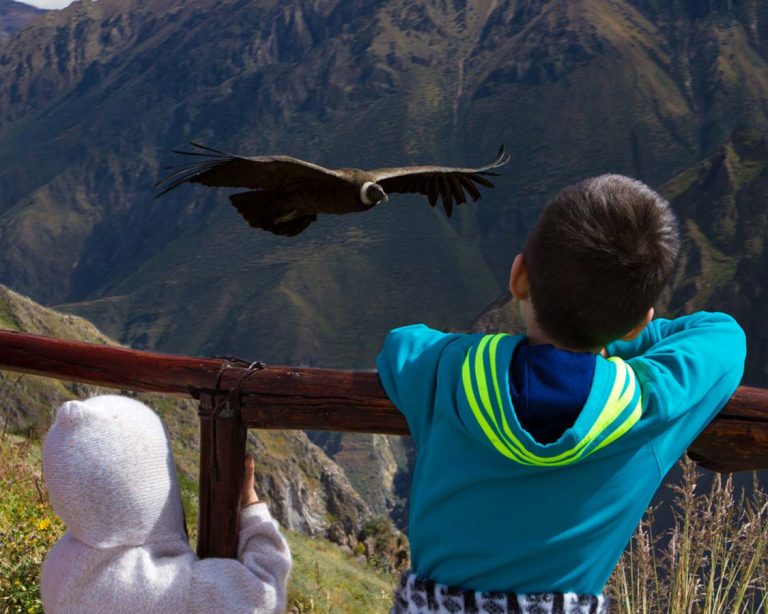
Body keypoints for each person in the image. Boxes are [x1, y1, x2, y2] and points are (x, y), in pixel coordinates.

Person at [376, 175, 746, 614]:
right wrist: (618, 338)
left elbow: (401, 342)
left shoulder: (447, 371)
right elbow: (723, 336)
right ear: (638, 324)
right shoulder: (649, 405)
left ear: (518, 277)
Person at [40, 394, 292, 614]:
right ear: (151, 488)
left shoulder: (60, 563)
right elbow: (264, 594)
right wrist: (250, 506)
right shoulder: (174, 591)